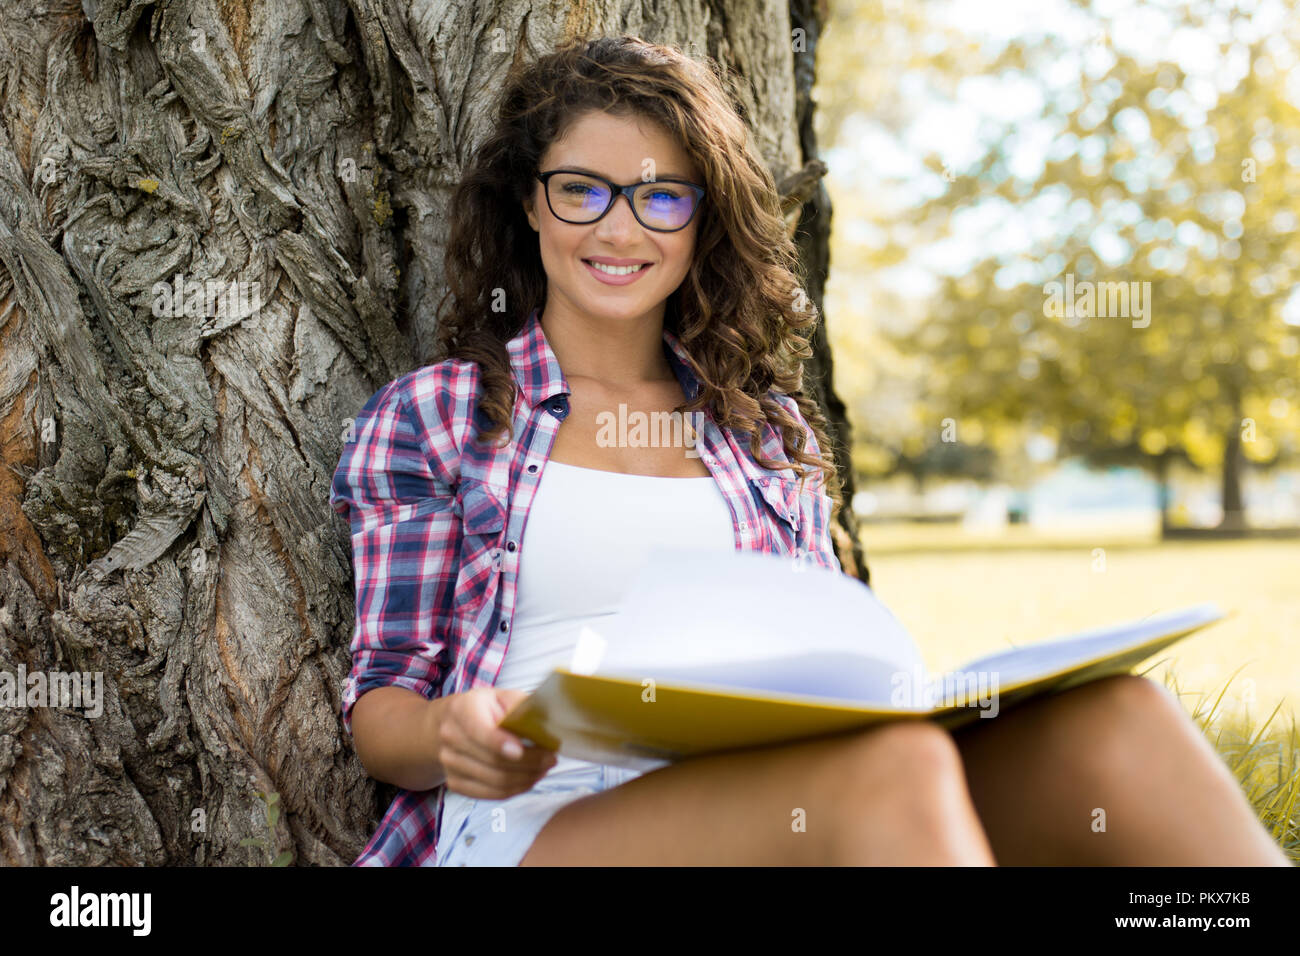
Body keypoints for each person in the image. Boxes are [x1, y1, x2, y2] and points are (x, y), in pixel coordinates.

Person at [329, 35, 1291, 867]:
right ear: (531, 205)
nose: (618, 227)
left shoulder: (763, 430)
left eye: (662, 198)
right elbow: (384, 708)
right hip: (541, 820)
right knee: (889, 769)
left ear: (702, 220)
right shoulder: (440, 416)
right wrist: (453, 733)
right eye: (581, 191)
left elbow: (822, 662)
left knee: (1117, 721)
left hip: (779, 788)